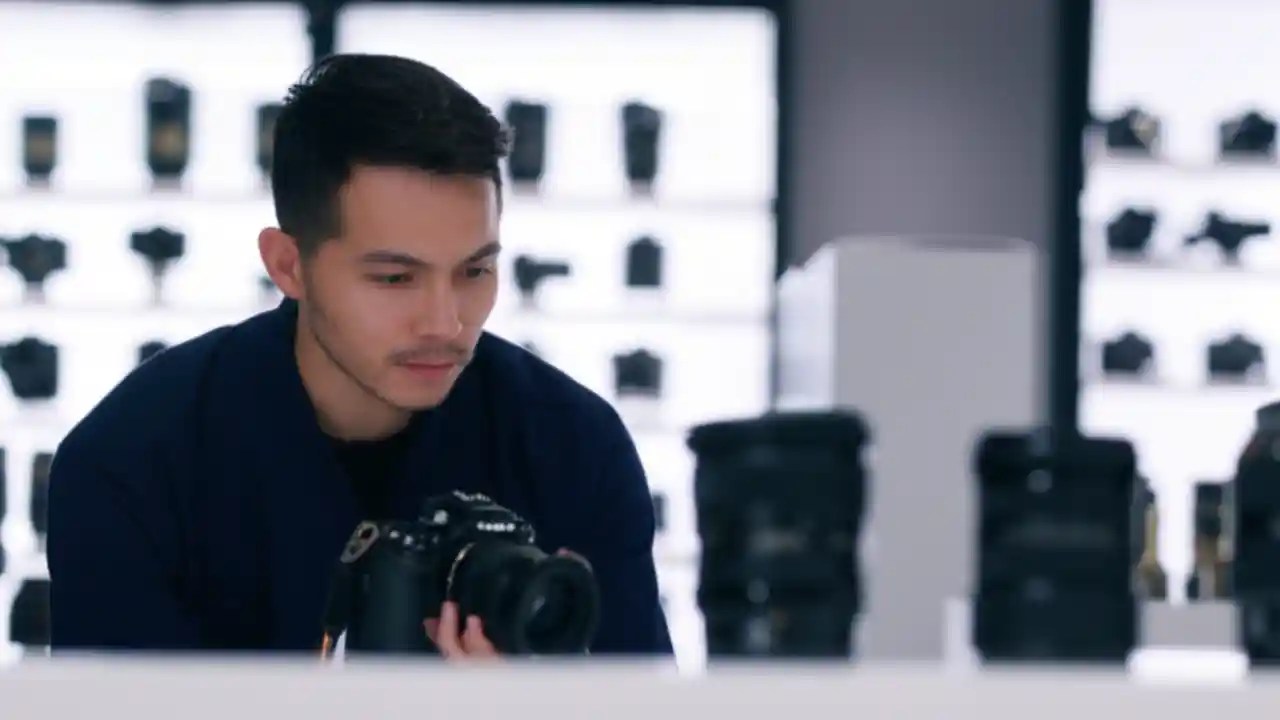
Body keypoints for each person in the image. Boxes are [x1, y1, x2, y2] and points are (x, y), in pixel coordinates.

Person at [46, 53, 673, 659]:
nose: (446, 322)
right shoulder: (132, 463)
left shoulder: (572, 446)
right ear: (288, 265)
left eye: (475, 270)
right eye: (395, 278)